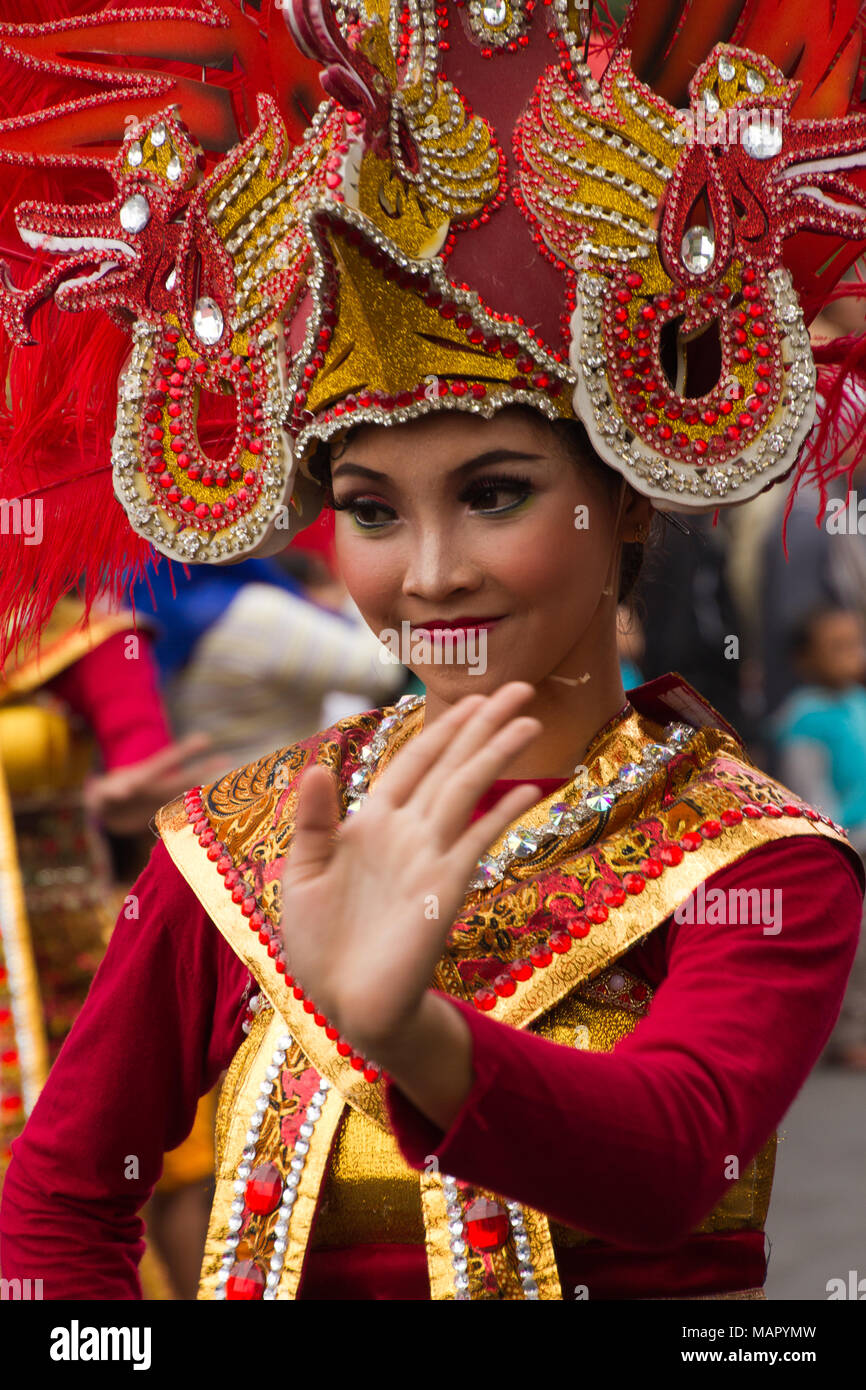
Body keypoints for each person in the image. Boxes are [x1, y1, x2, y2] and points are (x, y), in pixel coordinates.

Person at [0, 0, 865, 1303]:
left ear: (623, 500)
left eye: (495, 491)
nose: (427, 570)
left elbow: (677, 1155)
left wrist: (408, 1031)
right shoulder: (247, 844)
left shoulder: (762, 865)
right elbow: (57, 1209)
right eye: (368, 509)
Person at [774, 606, 866, 1068]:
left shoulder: (858, 702)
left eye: (857, 644)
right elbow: (809, 796)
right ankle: (847, 1033)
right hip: (847, 843)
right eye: (838, 648)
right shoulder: (804, 718)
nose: (853, 656)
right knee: (856, 944)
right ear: (806, 660)